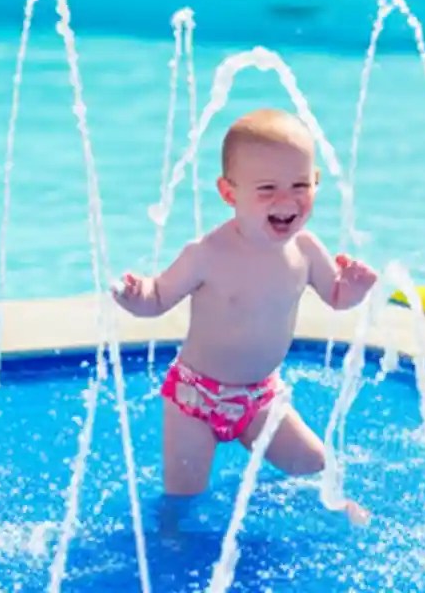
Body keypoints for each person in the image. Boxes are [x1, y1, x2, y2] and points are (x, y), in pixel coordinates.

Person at [112, 108, 376, 526]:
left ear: (316, 183)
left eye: (300, 185)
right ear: (229, 193)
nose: (286, 200)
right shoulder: (207, 254)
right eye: (267, 188)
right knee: (184, 496)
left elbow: (337, 297)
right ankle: (169, 546)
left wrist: (355, 289)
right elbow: (158, 298)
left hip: (260, 398)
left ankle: (334, 507)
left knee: (314, 462)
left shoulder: (305, 251)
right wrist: (135, 295)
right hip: (195, 398)